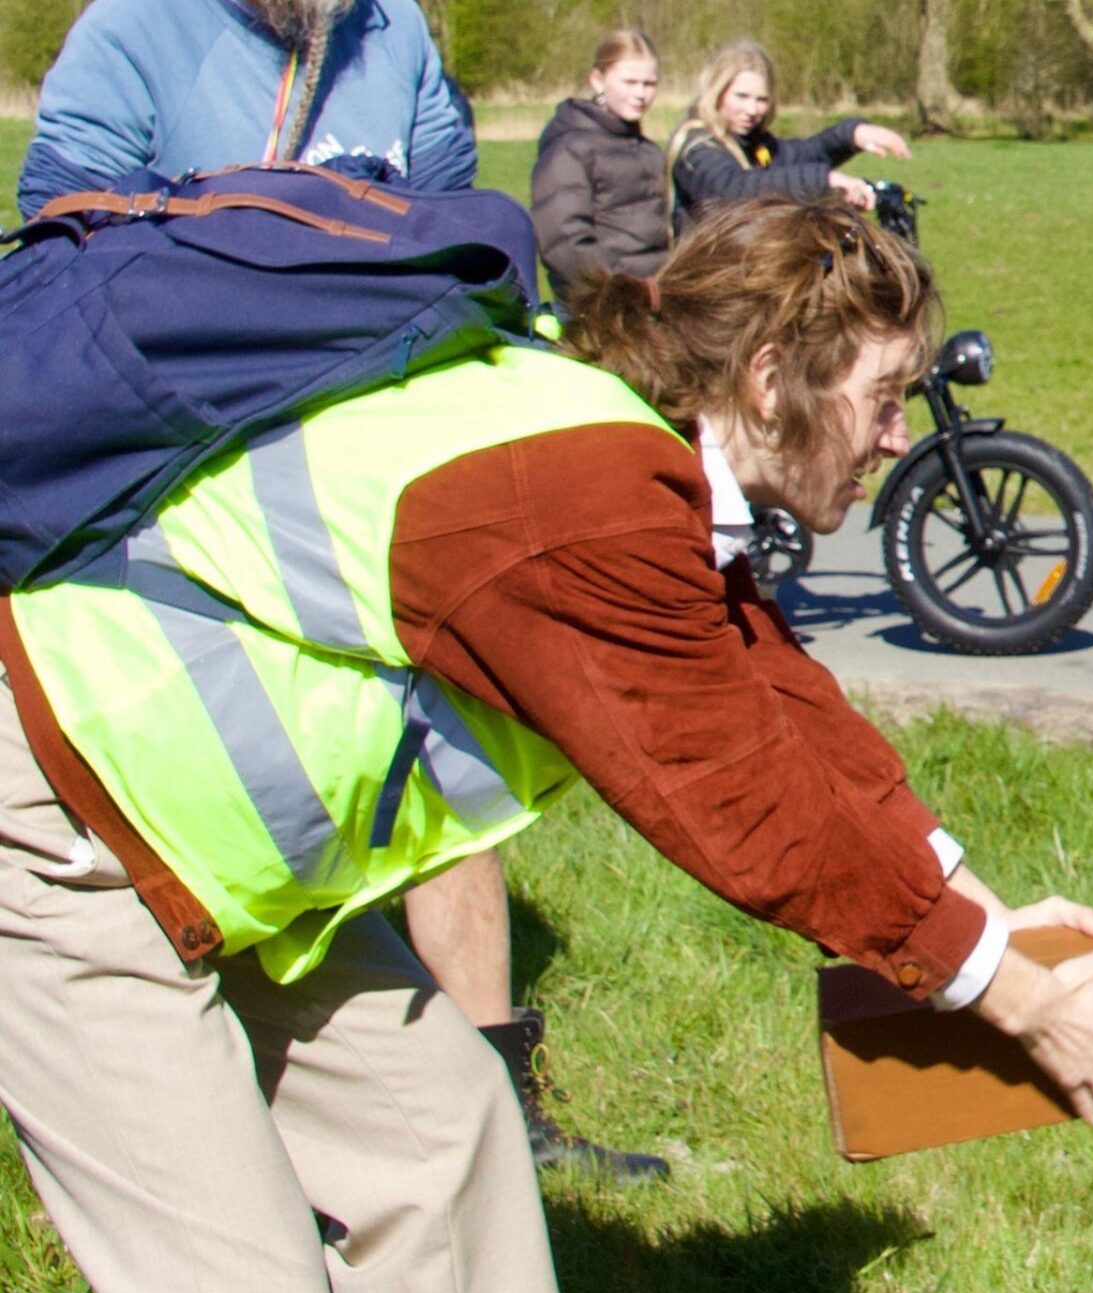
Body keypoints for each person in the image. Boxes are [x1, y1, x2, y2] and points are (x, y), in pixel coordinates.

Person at [0, 197, 1093, 1293]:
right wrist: (1009, 988)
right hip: (59, 823)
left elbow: (778, 702)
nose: (901, 436)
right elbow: (739, 802)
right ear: (775, 371)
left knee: (440, 1126)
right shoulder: (569, 496)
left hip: (202, 851)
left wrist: (985, 908)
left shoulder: (624, 463)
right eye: (885, 396)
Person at [16, 0, 673, 1182]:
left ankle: (493, 1100)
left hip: (359, 459)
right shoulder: (134, 27)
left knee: (446, 751)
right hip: (178, 458)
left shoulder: (397, 38)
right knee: (206, 782)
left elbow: (450, 238)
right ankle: (196, 1126)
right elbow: (63, 236)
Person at [15, 0, 475, 219]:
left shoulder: (396, 26)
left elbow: (452, 221)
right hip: (204, 389)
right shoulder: (129, 30)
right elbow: (60, 251)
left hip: (388, 375)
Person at [666, 39, 910, 235]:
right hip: (703, 287)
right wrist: (823, 181)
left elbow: (800, 156)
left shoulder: (753, 144)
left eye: (761, 99)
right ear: (716, 92)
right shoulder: (695, 147)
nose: (752, 110)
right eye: (741, 96)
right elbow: (732, 189)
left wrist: (851, 135)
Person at [531, 28, 671, 302]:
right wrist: (620, 296)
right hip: (605, 306)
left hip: (659, 298)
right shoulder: (570, 148)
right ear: (598, 80)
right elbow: (565, 242)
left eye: (649, 84)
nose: (640, 94)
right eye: (629, 82)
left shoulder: (650, 152)